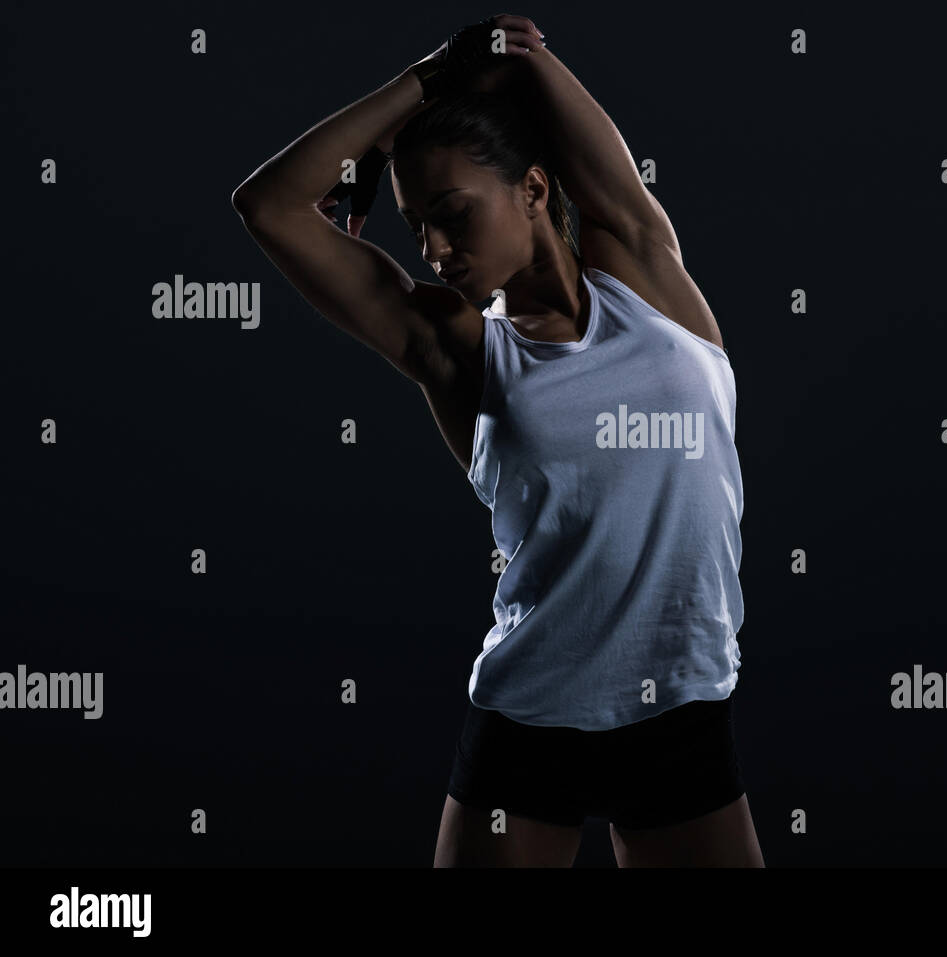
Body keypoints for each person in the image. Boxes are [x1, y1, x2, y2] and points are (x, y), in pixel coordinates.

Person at [232, 14, 762, 867]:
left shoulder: (644, 270)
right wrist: (419, 81)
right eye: (416, 227)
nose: (435, 249)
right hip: (532, 721)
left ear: (535, 190)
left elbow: (517, 52)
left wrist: (450, 81)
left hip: (684, 704)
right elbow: (268, 204)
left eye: (450, 213)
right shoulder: (462, 348)